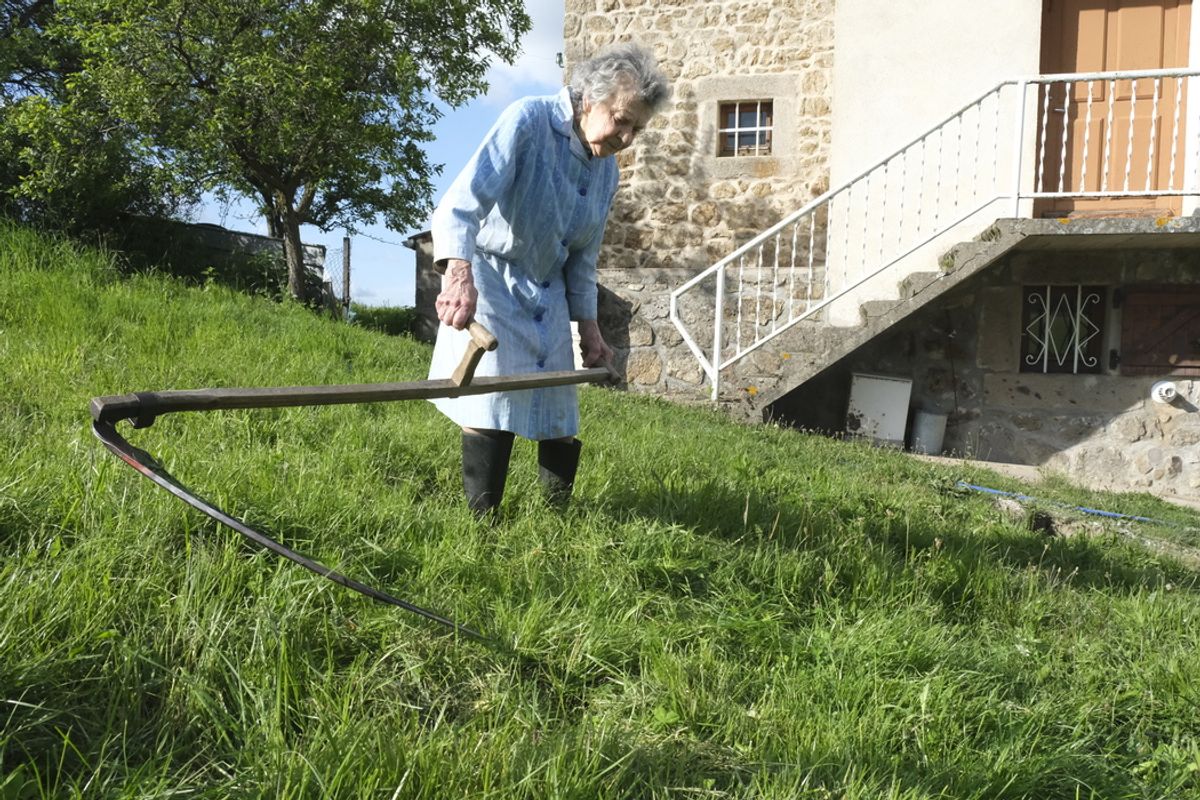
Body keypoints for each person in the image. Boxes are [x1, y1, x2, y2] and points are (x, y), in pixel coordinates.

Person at [428, 42, 671, 518]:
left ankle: (554, 523)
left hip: (548, 291)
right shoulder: (528, 121)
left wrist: (590, 330)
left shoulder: (607, 173)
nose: (626, 137)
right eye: (621, 120)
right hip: (493, 279)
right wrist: (458, 276)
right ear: (589, 97)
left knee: (559, 414)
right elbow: (461, 202)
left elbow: (582, 258)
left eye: (636, 128)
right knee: (490, 404)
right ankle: (484, 524)